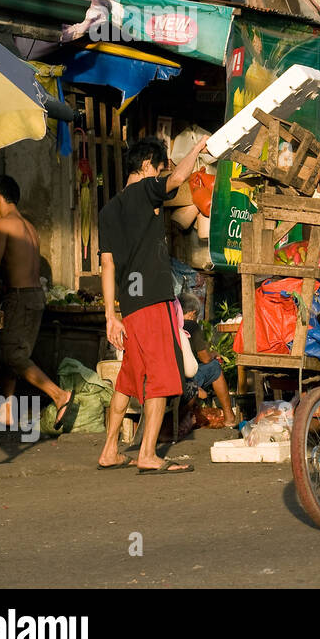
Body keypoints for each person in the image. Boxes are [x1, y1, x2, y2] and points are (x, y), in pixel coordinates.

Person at [96, 135, 208, 474]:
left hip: (130, 304)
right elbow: (176, 180)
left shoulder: (109, 209)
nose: (161, 175)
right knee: (161, 376)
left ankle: (110, 450)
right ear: (147, 167)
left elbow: (108, 265)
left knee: (130, 377)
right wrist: (198, 150)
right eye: (159, 168)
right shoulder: (145, 190)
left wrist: (110, 315)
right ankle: (147, 453)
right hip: (152, 301)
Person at [0, 175, 75, 433]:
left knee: (13, 355)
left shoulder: (4, 224)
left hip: (20, 298)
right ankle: (8, 409)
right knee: (15, 352)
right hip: (36, 297)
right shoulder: (29, 227)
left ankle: (58, 396)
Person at [177, 292, 239, 424]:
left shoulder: (170, 324)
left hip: (170, 377)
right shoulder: (191, 325)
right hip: (182, 381)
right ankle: (229, 416)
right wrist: (214, 354)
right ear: (192, 313)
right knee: (214, 366)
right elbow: (205, 358)